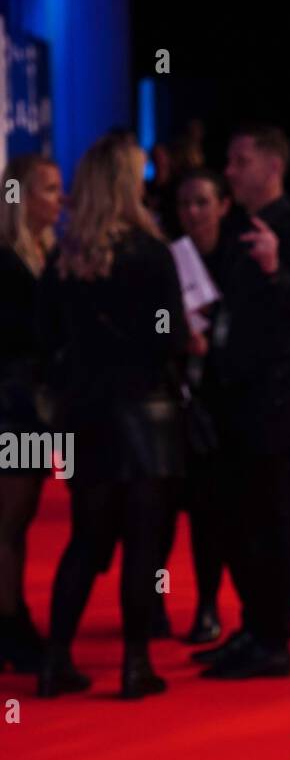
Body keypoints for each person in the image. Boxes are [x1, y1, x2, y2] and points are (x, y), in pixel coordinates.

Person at [35, 133, 194, 698]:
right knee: (144, 545)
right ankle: (133, 664)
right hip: (145, 418)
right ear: (128, 183)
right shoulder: (152, 254)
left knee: (84, 540)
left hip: (85, 419)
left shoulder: (65, 259)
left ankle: (55, 659)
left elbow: (47, 344)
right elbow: (170, 336)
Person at [195, 124, 290, 680]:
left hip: (279, 402)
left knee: (272, 519)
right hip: (236, 398)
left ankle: (273, 638)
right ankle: (253, 627)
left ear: (272, 166)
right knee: (239, 517)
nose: (229, 170)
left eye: (239, 160)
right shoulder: (235, 230)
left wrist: (276, 272)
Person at [0, 153, 63, 672]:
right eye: (47, 189)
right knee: (9, 524)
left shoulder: (49, 253)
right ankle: (11, 621)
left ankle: (13, 618)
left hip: (35, 410)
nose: (58, 199)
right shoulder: (5, 259)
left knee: (17, 522)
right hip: (10, 410)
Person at [170, 167, 233, 644]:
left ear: (222, 205)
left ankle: (213, 605)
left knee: (219, 512)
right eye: (186, 204)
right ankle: (155, 606)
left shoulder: (239, 257)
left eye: (202, 202)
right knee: (170, 511)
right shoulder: (165, 259)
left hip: (229, 406)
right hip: (175, 404)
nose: (193, 213)